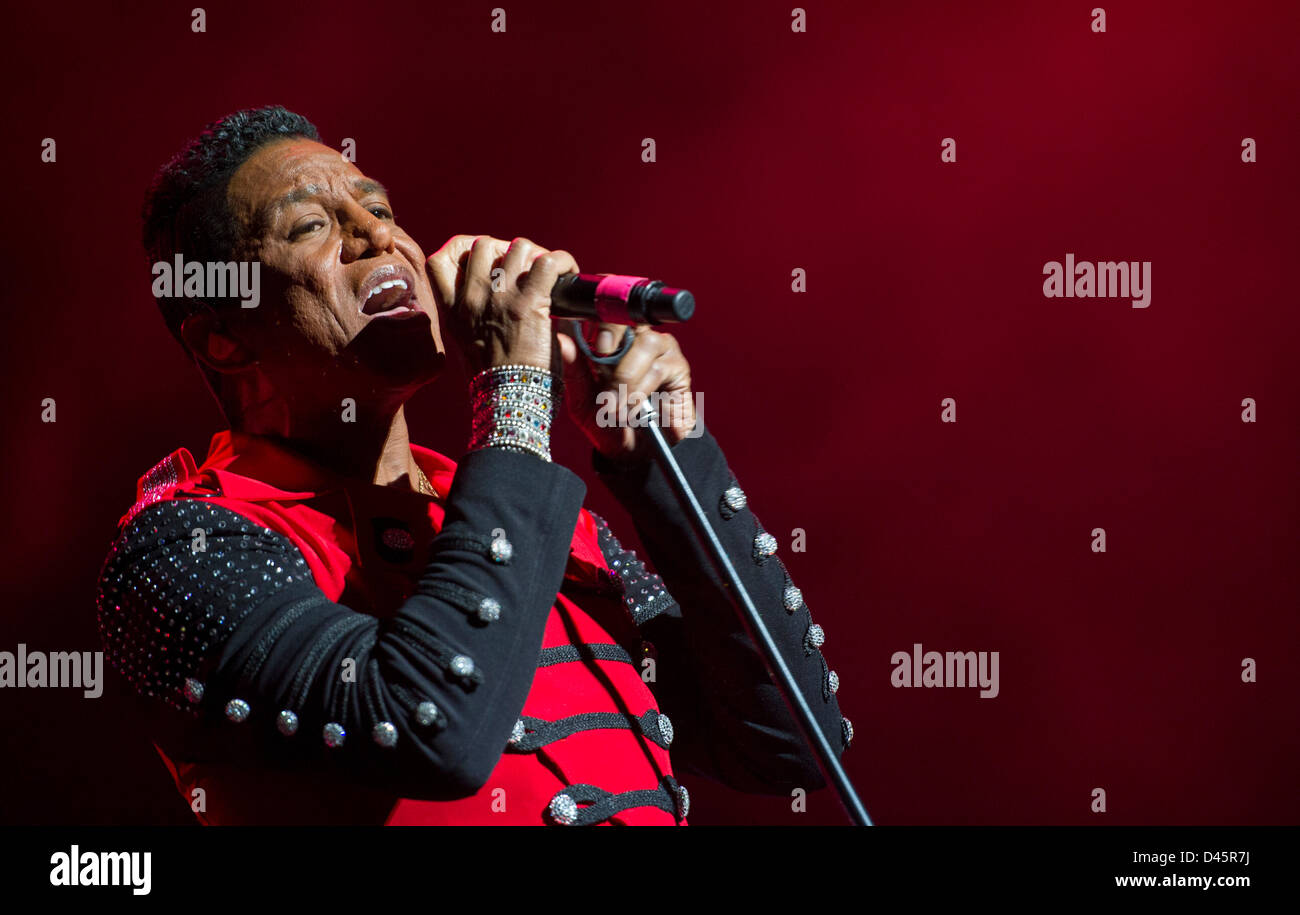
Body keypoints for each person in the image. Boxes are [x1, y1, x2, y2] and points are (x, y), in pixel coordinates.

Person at [96, 105, 851, 825]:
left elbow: (789, 742)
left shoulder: (527, 516)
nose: (377, 239)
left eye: (380, 211)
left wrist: (662, 455)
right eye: (312, 225)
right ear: (224, 337)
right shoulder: (182, 543)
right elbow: (434, 731)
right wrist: (517, 397)